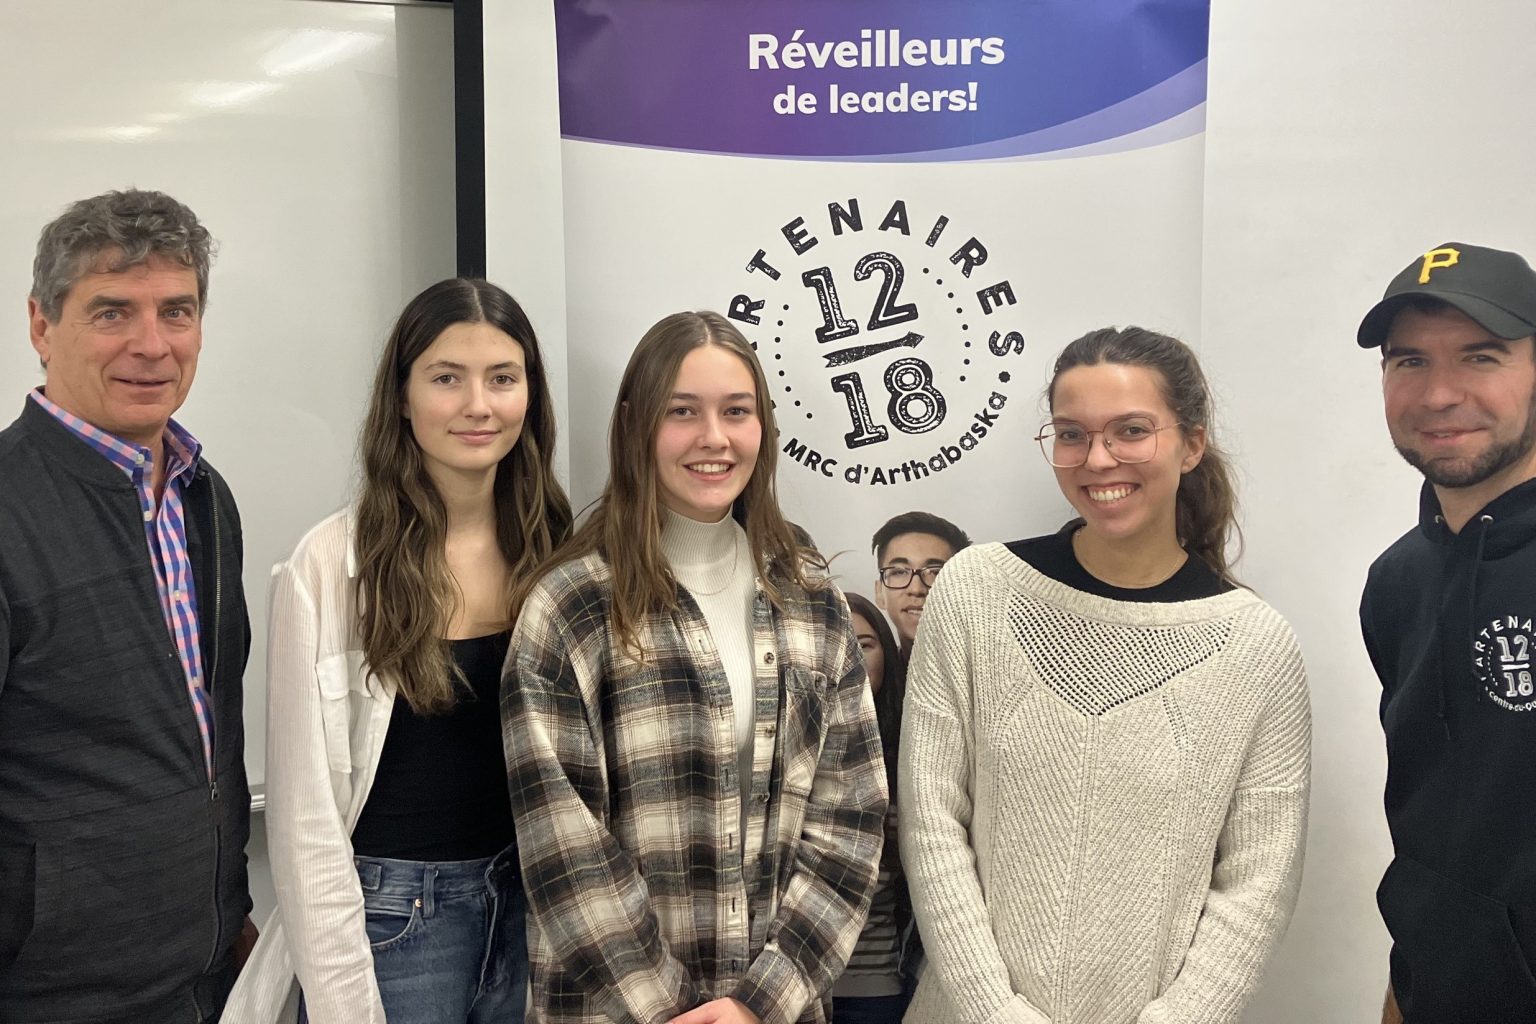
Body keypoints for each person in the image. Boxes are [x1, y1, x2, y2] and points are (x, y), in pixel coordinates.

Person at [901, 326, 1310, 1024]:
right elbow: (931, 820)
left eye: (1130, 430)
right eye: (1071, 434)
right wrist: (996, 1014)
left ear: (1191, 444)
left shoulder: (1257, 646)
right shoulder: (974, 592)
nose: (1098, 459)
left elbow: (1258, 883)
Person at [503, 310, 887, 1024]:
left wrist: (757, 1005)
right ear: (635, 424)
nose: (714, 438)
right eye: (683, 412)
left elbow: (851, 821)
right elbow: (562, 846)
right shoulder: (573, 607)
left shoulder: (807, 594)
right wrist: (668, 1011)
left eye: (736, 412)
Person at [224, 279, 572, 1024]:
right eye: (447, 378)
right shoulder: (330, 565)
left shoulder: (560, 550)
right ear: (404, 398)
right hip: (393, 922)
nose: (478, 404)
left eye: (502, 379)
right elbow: (305, 820)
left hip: (532, 911)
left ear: (530, 399)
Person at [0, 189, 254, 1022]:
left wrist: (230, 907)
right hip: (52, 995)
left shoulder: (203, 494)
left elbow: (210, 728)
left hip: (204, 972)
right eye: (112, 312)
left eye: (176, 312)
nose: (153, 345)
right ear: (42, 326)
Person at [1356, 243, 1536, 1024]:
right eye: (1409, 363)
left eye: (1481, 356)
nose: (1439, 393)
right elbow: (1434, 833)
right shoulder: (1396, 582)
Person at [832, 593, 911, 1024]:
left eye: (863, 645)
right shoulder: (787, 755)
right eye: (837, 643)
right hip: (775, 989)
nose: (848, 660)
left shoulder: (910, 755)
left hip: (874, 985)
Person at [871, 511, 971, 653]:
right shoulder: (870, 673)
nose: (916, 589)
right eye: (899, 572)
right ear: (879, 593)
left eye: (935, 572)